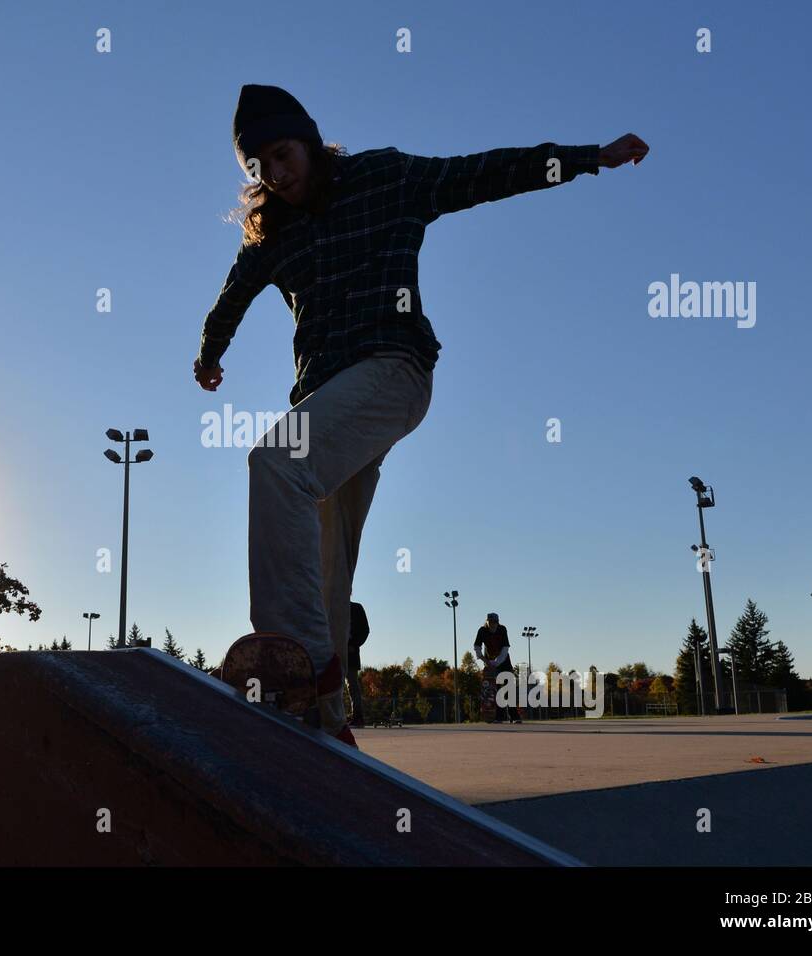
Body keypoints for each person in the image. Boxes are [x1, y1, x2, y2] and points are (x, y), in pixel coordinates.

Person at [194, 83, 648, 747]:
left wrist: (588, 157)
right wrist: (209, 353)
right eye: (259, 169)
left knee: (275, 461)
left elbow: (485, 172)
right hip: (326, 403)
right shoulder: (271, 234)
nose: (278, 175)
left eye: (283, 155)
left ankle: (293, 657)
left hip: (393, 370)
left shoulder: (386, 176)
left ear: (310, 141)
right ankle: (328, 727)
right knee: (324, 560)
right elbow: (231, 297)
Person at [474, 612, 522, 724]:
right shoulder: (482, 631)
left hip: (504, 662)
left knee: (508, 689)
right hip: (489, 663)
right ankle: (499, 716)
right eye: (490, 623)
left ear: (498, 623)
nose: (493, 625)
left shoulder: (502, 629)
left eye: (495, 623)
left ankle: (514, 716)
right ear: (487, 622)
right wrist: (483, 659)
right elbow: (477, 646)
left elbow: (505, 648)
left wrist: (496, 662)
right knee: (496, 690)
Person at [347, 601, 369, 729]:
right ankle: (347, 715)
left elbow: (365, 630)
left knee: (352, 685)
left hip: (350, 652)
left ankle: (358, 716)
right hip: (335, 650)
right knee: (335, 684)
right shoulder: (333, 605)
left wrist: (354, 644)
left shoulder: (356, 608)